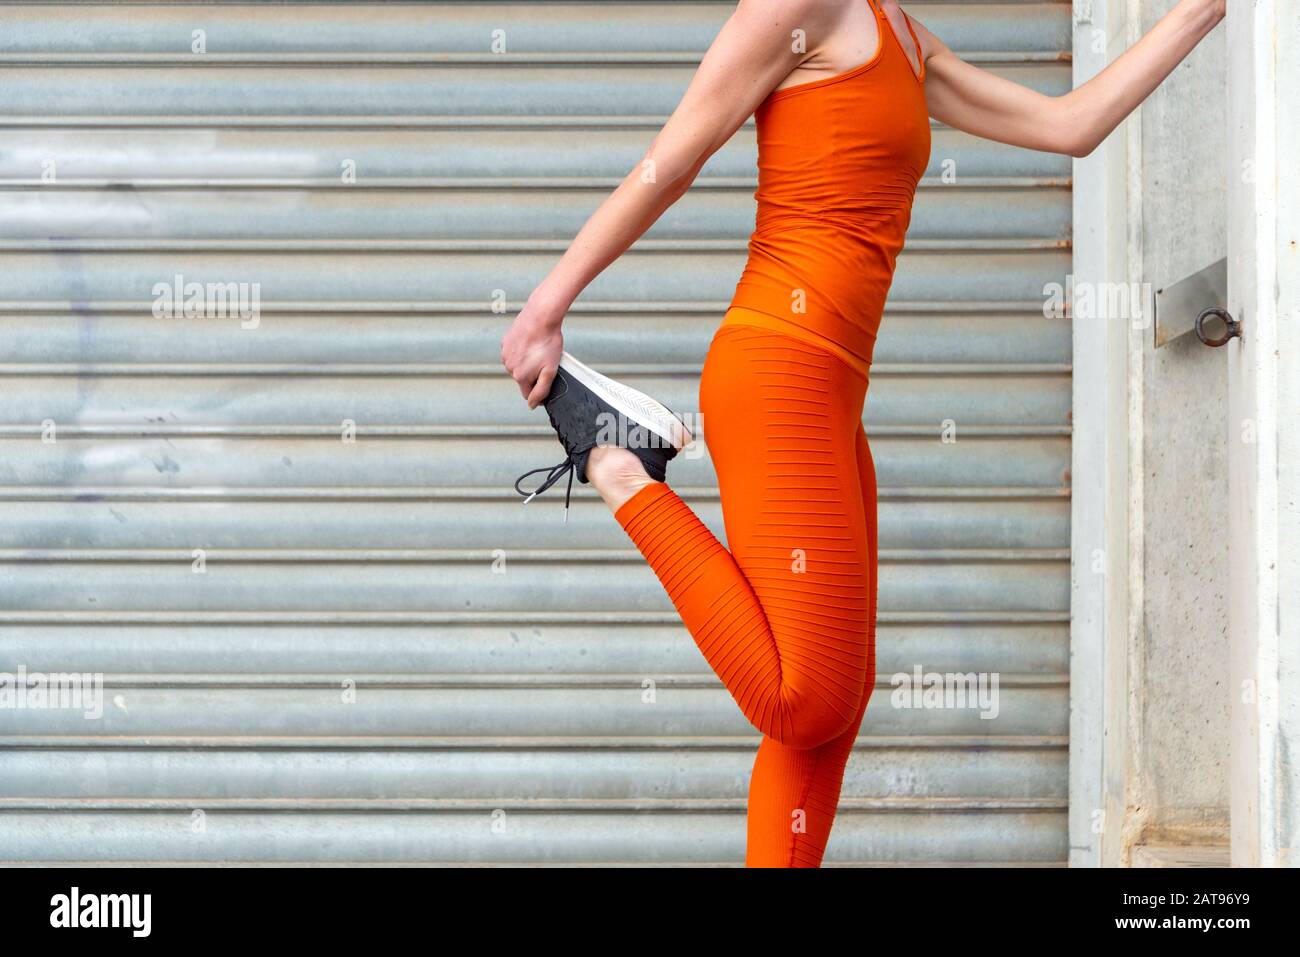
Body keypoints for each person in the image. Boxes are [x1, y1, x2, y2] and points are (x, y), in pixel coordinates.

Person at [500, 0, 1227, 867]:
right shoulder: (797, 8)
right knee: (802, 699)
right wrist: (548, 306)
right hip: (777, 368)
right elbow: (677, 155)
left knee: (834, 713)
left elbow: (1072, 125)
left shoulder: (904, 35)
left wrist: (1201, 12)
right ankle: (619, 467)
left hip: (832, 394)